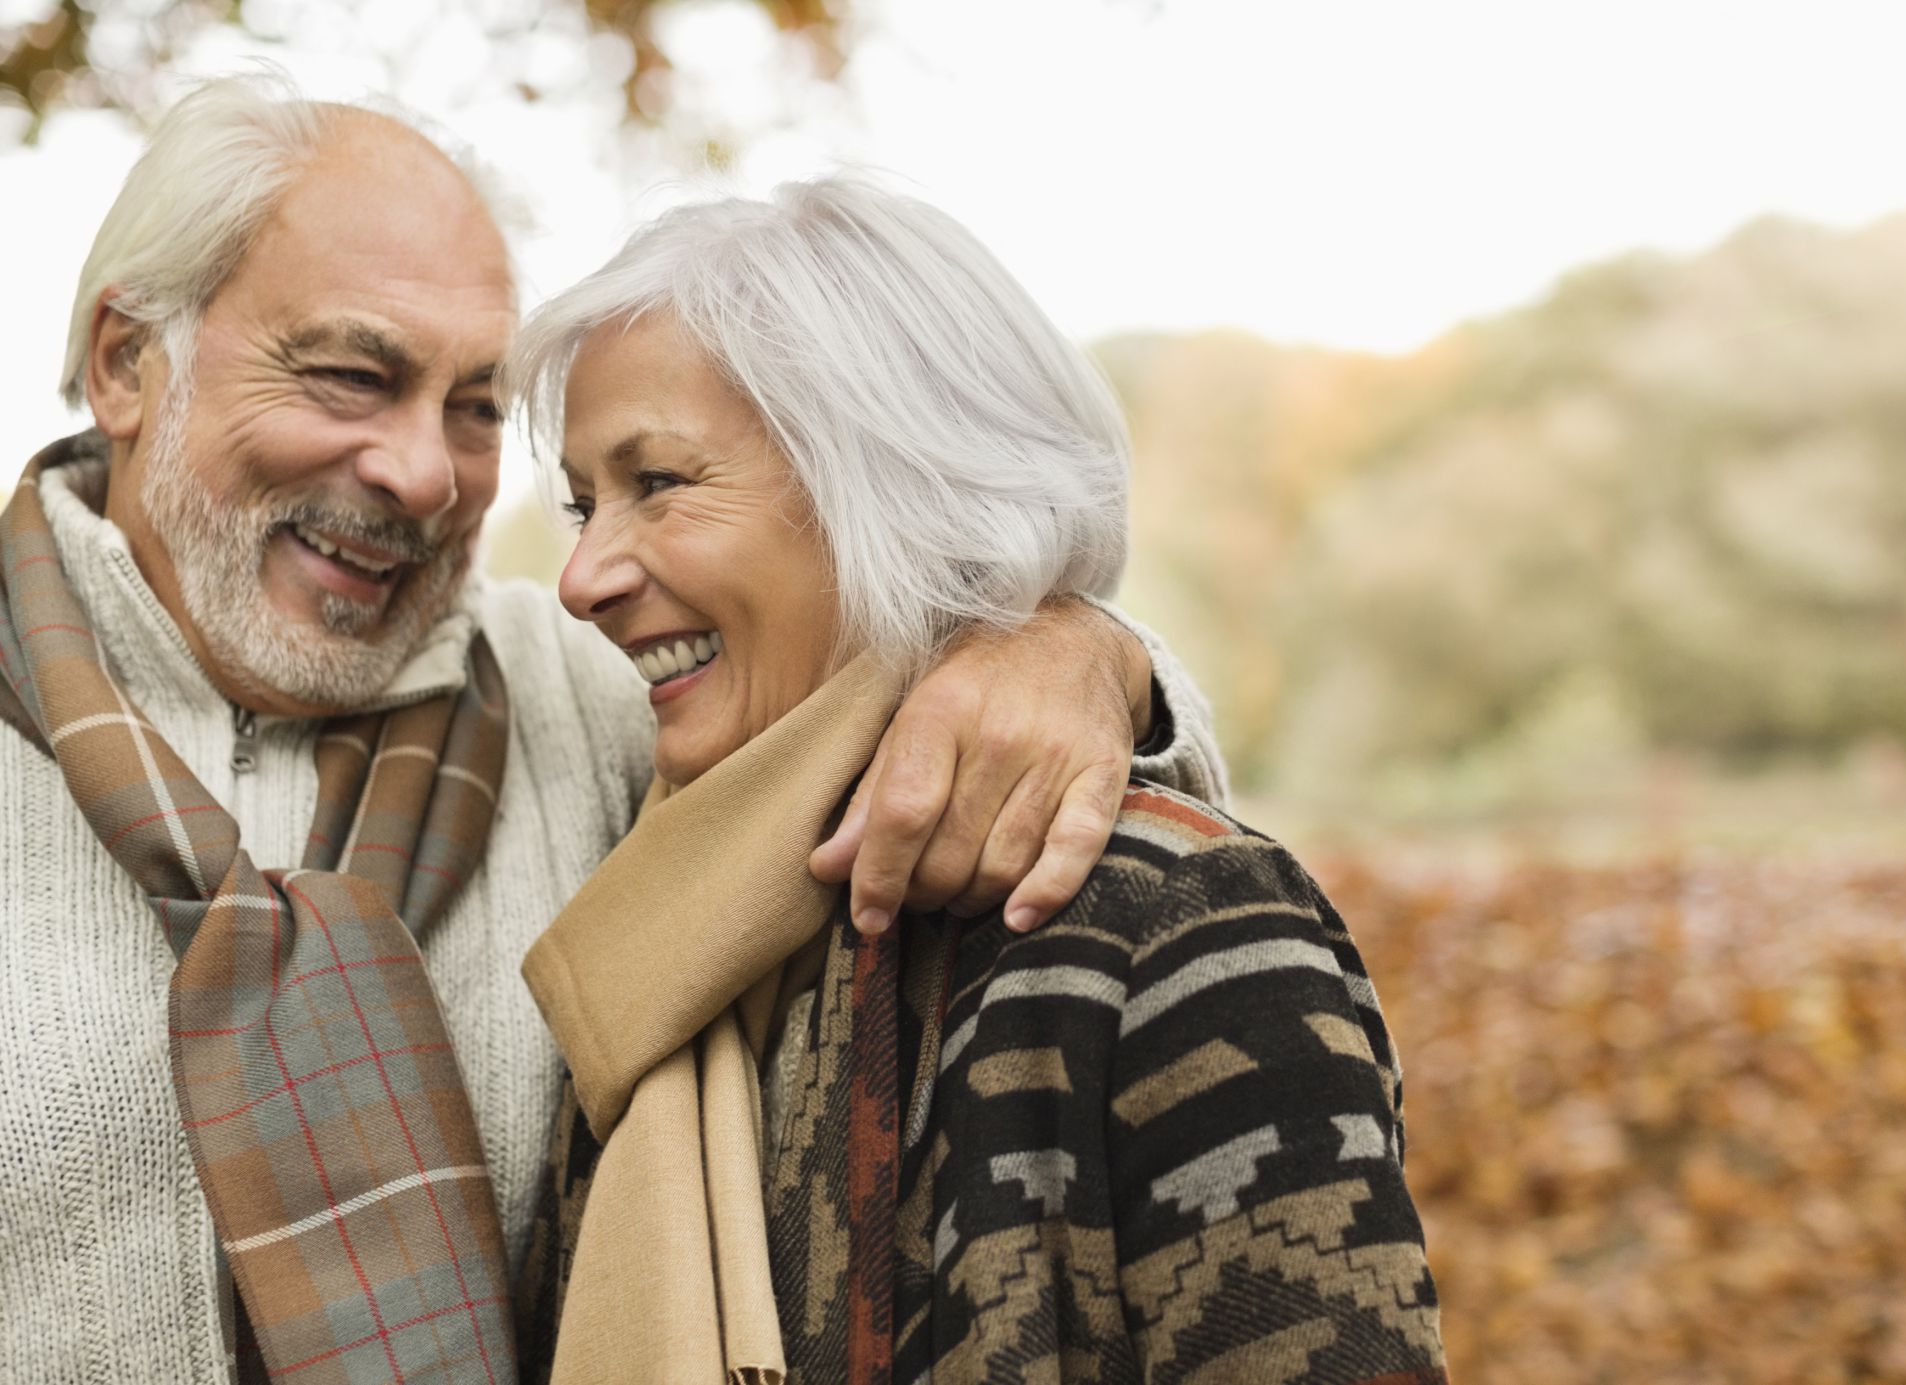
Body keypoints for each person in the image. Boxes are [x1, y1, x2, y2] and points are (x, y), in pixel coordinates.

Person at [0, 78, 1226, 1384]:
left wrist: (1080, 651)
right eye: (354, 377)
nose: (424, 473)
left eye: (475, 407)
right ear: (129, 364)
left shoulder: (585, 700)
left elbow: (856, 677)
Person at [510, 178, 1447, 1384]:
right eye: (584, 503)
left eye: (660, 483)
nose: (579, 577)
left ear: (893, 480)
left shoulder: (1176, 928)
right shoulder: (660, 944)